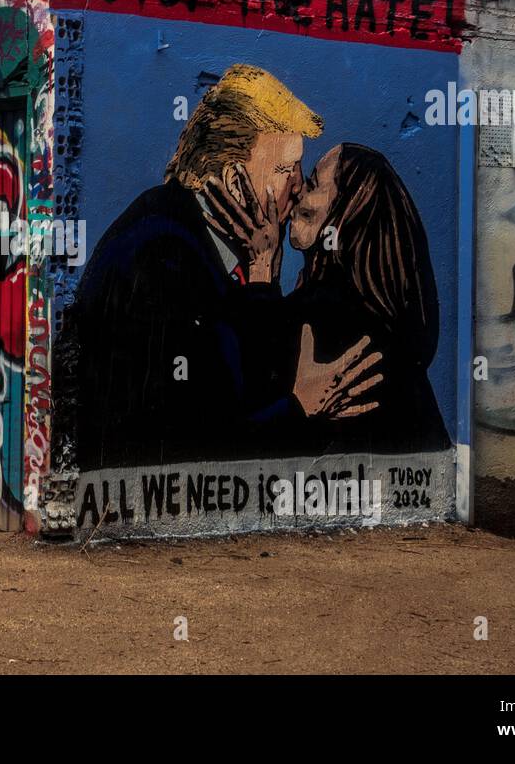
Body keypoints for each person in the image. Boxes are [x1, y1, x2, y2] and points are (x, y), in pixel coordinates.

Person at [57, 64, 382, 472]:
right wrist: (300, 407)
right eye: (285, 169)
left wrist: (263, 276)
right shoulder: (163, 257)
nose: (297, 186)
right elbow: (202, 436)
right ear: (232, 181)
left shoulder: (214, 244)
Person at [279, 143, 450, 454]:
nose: (297, 193)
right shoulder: (391, 333)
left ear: (349, 211)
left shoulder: (315, 318)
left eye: (314, 184)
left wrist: (260, 277)